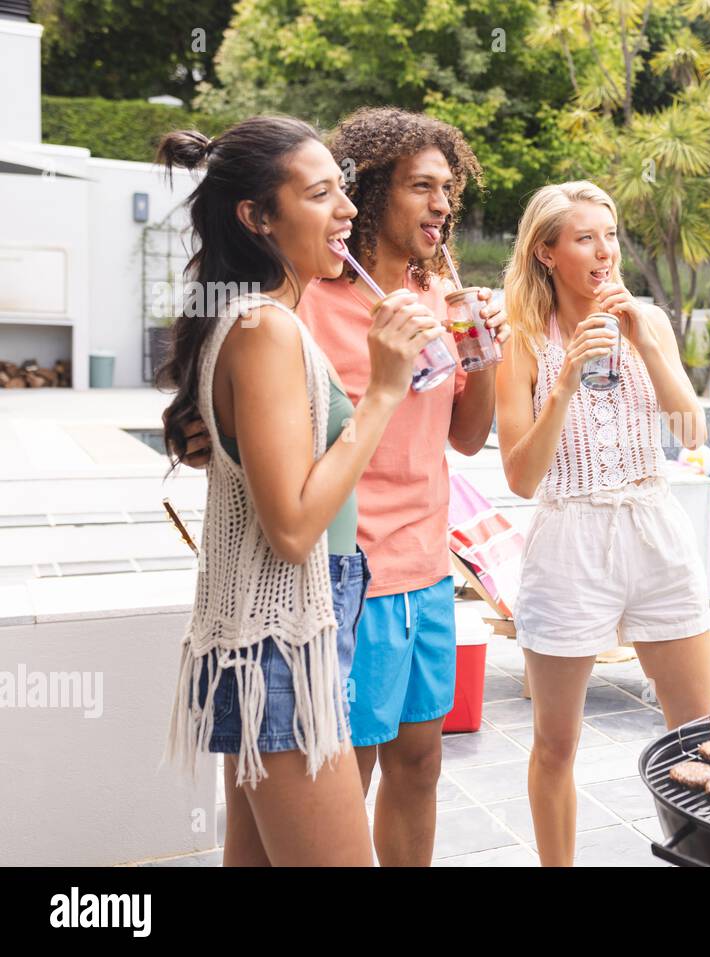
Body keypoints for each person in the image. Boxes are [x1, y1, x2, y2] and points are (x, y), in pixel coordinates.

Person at [157, 116, 440, 866]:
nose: (347, 209)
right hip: (282, 638)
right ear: (258, 218)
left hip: (274, 630)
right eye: (320, 194)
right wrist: (384, 390)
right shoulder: (267, 329)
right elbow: (292, 527)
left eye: (342, 190)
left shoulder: (263, 320)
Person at [298, 107, 506, 866]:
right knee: (342, 775)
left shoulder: (435, 295)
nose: (442, 205)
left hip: (427, 572)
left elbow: (466, 436)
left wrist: (482, 352)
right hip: (352, 577)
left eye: (447, 188)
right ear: (372, 191)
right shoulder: (312, 303)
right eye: (422, 186)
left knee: (420, 762)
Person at [495, 181, 710, 866]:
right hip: (570, 541)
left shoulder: (646, 317)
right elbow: (521, 477)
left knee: (700, 737)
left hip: (654, 529)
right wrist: (562, 382)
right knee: (557, 741)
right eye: (586, 238)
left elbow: (691, 434)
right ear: (547, 251)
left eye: (611, 234)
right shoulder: (522, 340)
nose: (605, 252)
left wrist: (644, 342)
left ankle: (703, 856)